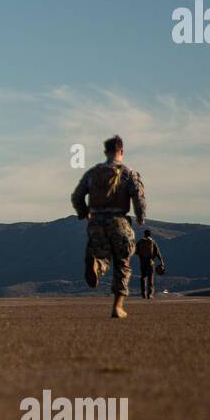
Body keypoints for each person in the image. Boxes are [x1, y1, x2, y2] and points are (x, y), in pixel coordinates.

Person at [71, 135, 146, 319]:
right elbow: (138, 196)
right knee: (123, 262)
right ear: (122, 151)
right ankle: (117, 307)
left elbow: (77, 196)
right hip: (118, 221)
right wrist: (140, 216)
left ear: (105, 152)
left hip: (96, 222)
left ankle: (97, 264)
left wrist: (83, 213)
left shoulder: (92, 174)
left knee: (102, 254)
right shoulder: (128, 173)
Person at [135, 229, 165, 299]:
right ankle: (150, 294)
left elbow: (136, 251)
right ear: (150, 234)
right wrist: (162, 262)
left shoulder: (140, 242)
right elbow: (158, 252)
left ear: (144, 234)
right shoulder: (152, 241)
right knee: (150, 278)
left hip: (142, 262)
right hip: (150, 262)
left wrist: (141, 256)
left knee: (143, 277)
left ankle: (143, 294)